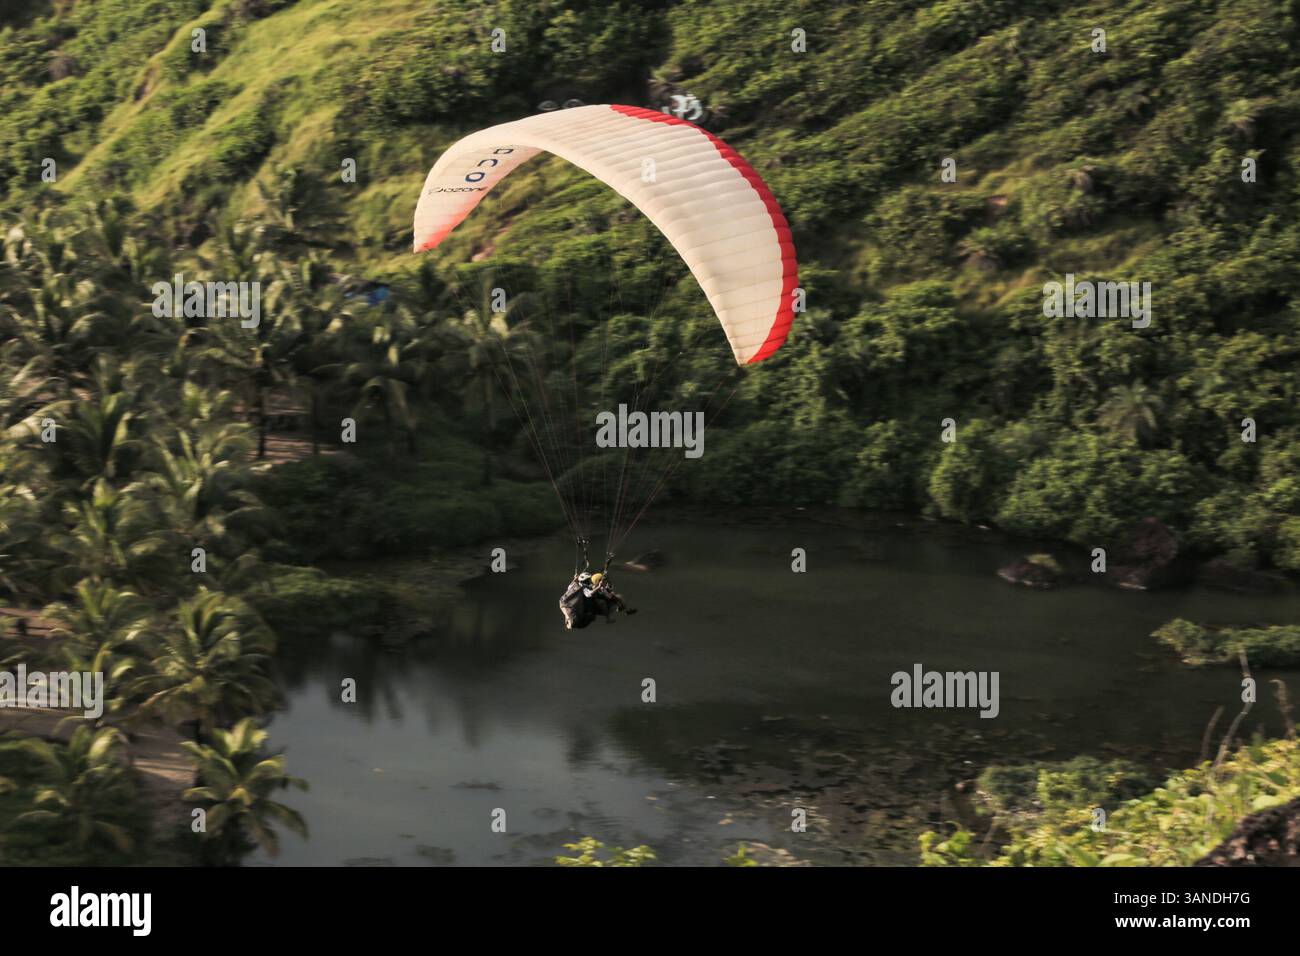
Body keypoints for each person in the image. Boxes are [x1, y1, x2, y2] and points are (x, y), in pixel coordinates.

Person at [558, 569, 635, 630]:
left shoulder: (576, 585)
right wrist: (599, 588)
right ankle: (608, 618)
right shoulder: (584, 588)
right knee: (603, 602)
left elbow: (570, 586)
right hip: (589, 607)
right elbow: (589, 594)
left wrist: (575, 579)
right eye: (587, 580)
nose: (589, 582)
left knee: (611, 597)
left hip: (587, 605)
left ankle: (622, 609)